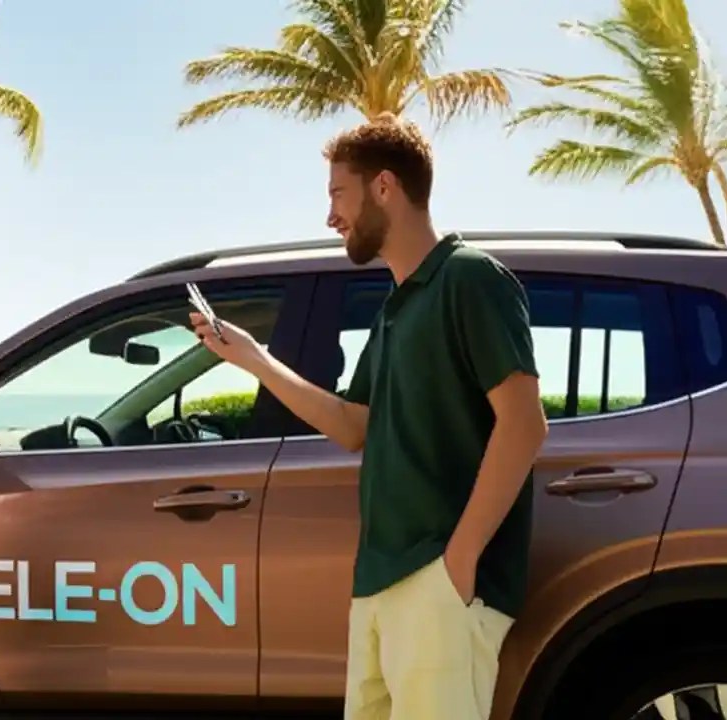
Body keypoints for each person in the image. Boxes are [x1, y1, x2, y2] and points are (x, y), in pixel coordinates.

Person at [190, 114, 549, 720]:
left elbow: (524, 423)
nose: (331, 216)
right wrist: (254, 360)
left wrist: (457, 563)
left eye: (337, 193)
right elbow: (353, 427)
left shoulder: (469, 278)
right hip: (380, 582)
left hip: (440, 581)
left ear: (384, 187)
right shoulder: (393, 311)